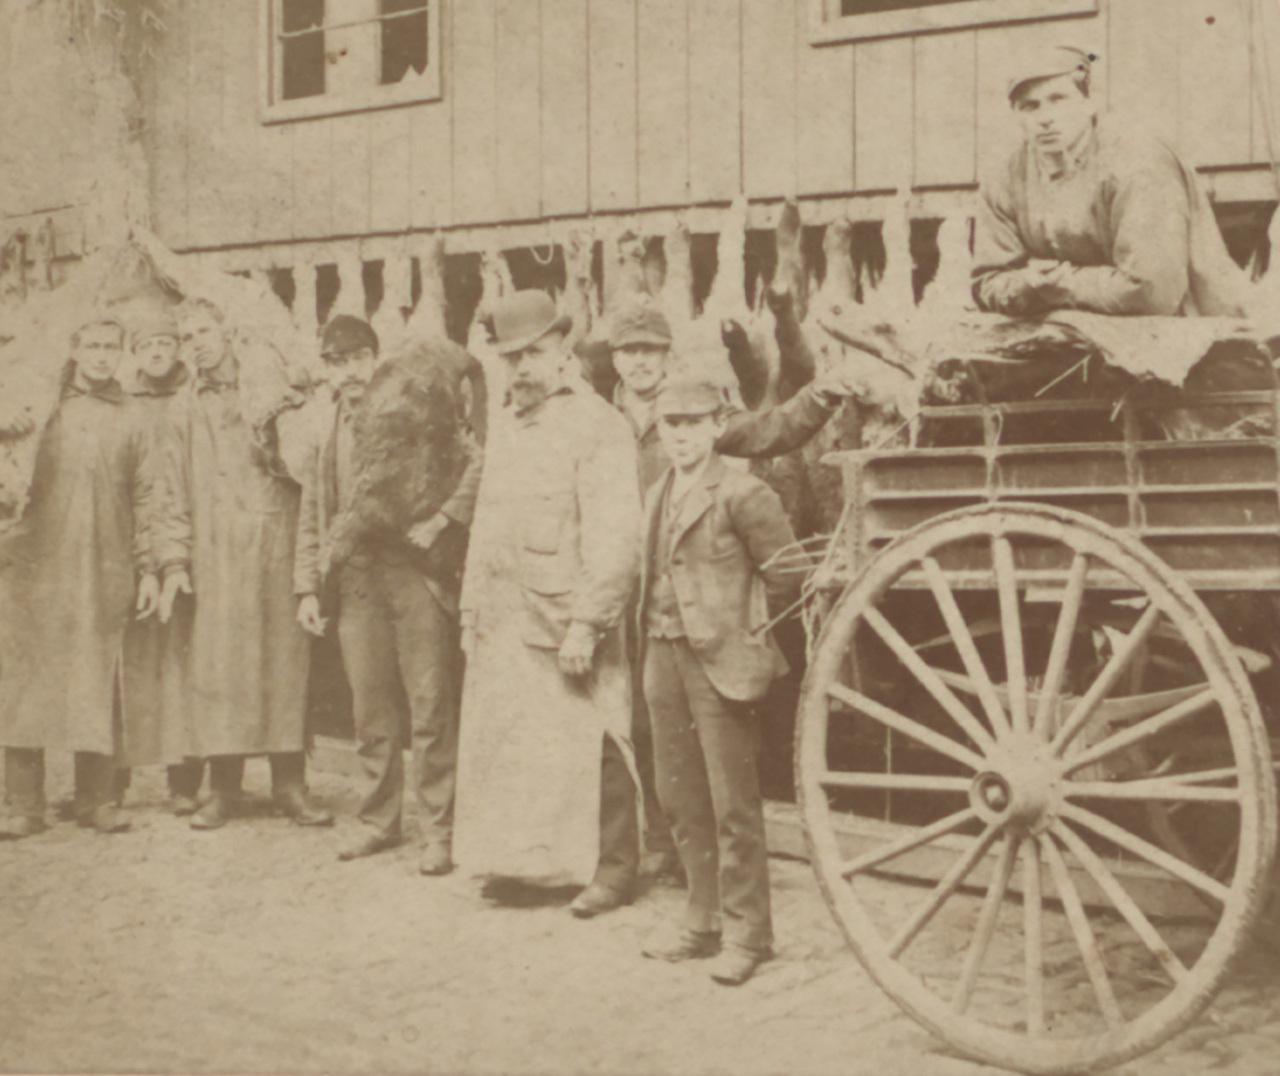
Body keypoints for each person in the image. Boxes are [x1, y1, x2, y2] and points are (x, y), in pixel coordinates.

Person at [604, 298, 855, 893]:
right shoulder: (600, 416)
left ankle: (715, 867)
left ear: (667, 355)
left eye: (650, 351)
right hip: (632, 590)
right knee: (641, 726)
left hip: (699, 590)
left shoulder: (695, 413)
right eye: (628, 352)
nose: (639, 363)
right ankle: (663, 846)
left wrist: (822, 393)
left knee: (708, 735)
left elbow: (772, 430)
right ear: (614, 359)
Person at [452, 289, 641, 905]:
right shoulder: (508, 422)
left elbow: (616, 537)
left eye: (533, 353)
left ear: (563, 348)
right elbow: (486, 519)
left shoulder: (599, 426)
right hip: (507, 615)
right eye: (511, 359)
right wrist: (471, 607)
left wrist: (588, 622)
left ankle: (614, 868)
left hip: (566, 612)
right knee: (518, 742)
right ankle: (529, 867)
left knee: (597, 732)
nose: (522, 368)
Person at [294, 315, 479, 872]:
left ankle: (439, 831)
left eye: (354, 359)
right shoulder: (325, 431)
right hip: (357, 582)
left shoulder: (419, 408)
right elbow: (312, 511)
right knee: (370, 709)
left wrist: (445, 518)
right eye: (334, 362)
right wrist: (306, 585)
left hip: (412, 572)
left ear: (376, 358)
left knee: (429, 704)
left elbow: (476, 461)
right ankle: (378, 821)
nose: (347, 372)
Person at [637, 377, 800, 986]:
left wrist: (747, 634)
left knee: (734, 803)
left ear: (716, 426)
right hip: (662, 655)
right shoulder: (657, 492)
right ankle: (700, 922)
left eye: (692, 423)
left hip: (720, 666)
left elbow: (788, 578)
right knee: (679, 794)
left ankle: (748, 935)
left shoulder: (743, 492)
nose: (679, 435)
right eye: (670, 424)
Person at [154, 297, 331, 831]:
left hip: (277, 539)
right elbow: (170, 489)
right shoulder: (183, 408)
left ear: (227, 330)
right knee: (221, 667)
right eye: (186, 338)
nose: (196, 344)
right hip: (216, 552)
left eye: (203, 331)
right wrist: (173, 560)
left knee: (284, 661)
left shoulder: (270, 387)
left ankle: (290, 786)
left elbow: (307, 461)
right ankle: (223, 790)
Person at [0, 316, 157, 838]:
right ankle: (25, 804)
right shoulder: (39, 406)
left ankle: (97, 799)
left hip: (103, 565)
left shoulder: (133, 418)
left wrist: (153, 567)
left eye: (111, 346)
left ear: (123, 352)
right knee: (24, 679)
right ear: (73, 348)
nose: (100, 355)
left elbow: (150, 496)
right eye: (91, 345)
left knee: (99, 678)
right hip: (33, 567)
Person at [972, 45, 1249, 318]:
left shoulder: (1138, 161)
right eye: (1030, 106)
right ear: (1016, 115)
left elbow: (1151, 293)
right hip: (1065, 334)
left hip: (1186, 332)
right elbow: (986, 282)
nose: (1045, 118)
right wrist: (1026, 284)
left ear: (1089, 103)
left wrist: (1056, 282)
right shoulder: (1004, 175)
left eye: (1058, 99)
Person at [117, 305, 203, 815]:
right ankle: (112, 781)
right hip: (130, 544)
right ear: (135, 352)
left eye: (166, 345)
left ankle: (185, 781)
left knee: (181, 666)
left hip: (178, 543)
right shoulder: (124, 404)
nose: (156, 353)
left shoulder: (191, 401)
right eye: (147, 345)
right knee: (128, 667)